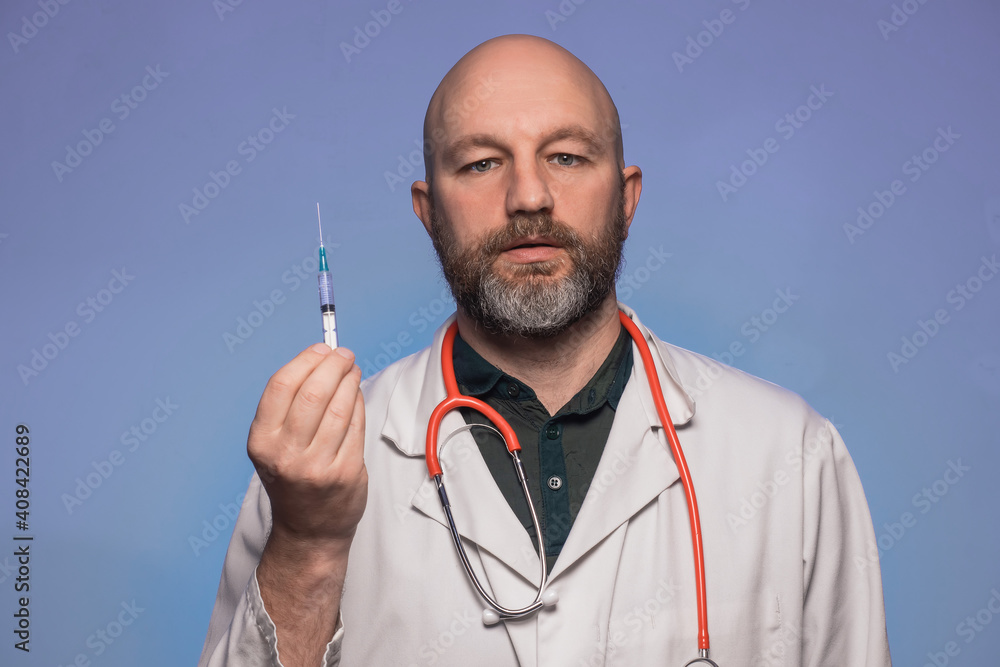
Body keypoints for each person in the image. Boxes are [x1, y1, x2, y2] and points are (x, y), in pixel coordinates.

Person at [198, 35, 892, 666]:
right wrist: (310, 547)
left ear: (625, 199)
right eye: (479, 163)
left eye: (566, 156)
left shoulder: (789, 454)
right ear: (428, 210)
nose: (528, 196)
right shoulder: (314, 469)